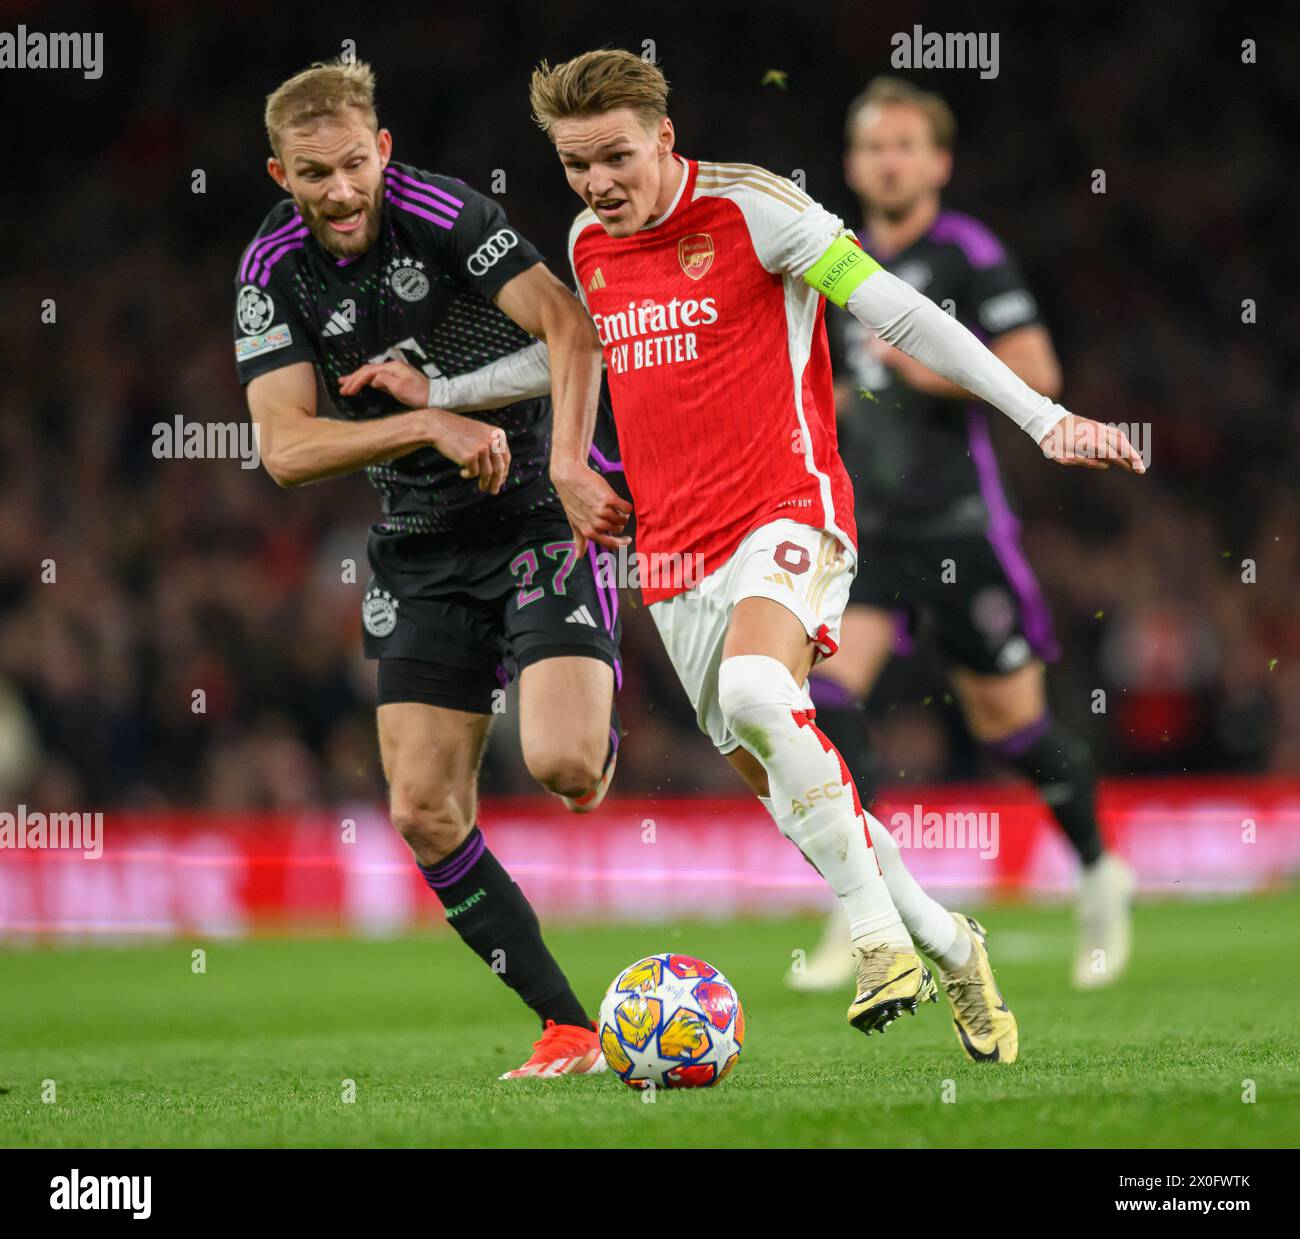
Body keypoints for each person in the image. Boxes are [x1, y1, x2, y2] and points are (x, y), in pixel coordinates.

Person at [352, 50, 1143, 1064]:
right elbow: (574, 349)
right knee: (792, 794)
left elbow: (892, 307)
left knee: (764, 693)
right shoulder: (590, 242)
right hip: (672, 559)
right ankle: (948, 943)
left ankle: (873, 946)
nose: (597, 183)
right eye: (575, 164)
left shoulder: (754, 210)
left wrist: (1044, 420)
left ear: (664, 140)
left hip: (788, 513)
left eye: (616, 157)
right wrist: (443, 396)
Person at [234, 59, 619, 1080]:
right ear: (282, 173)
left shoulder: (445, 212)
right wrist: (427, 422)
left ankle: (594, 689)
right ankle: (568, 1028)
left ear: (383, 151)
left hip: (531, 513)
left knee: (568, 770)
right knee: (421, 810)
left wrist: (563, 459)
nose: (342, 191)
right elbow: (283, 449)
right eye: (315, 174)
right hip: (417, 544)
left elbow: (572, 328)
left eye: (355, 164)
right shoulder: (271, 268)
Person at [789, 78, 1133, 993]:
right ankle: (864, 905)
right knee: (822, 695)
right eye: (872, 145)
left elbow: (1036, 369)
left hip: (962, 528)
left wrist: (922, 358)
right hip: (866, 534)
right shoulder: (832, 258)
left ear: (938, 162)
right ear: (853, 162)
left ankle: (1099, 873)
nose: (888, 160)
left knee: (1015, 728)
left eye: (906, 145)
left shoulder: (968, 254)